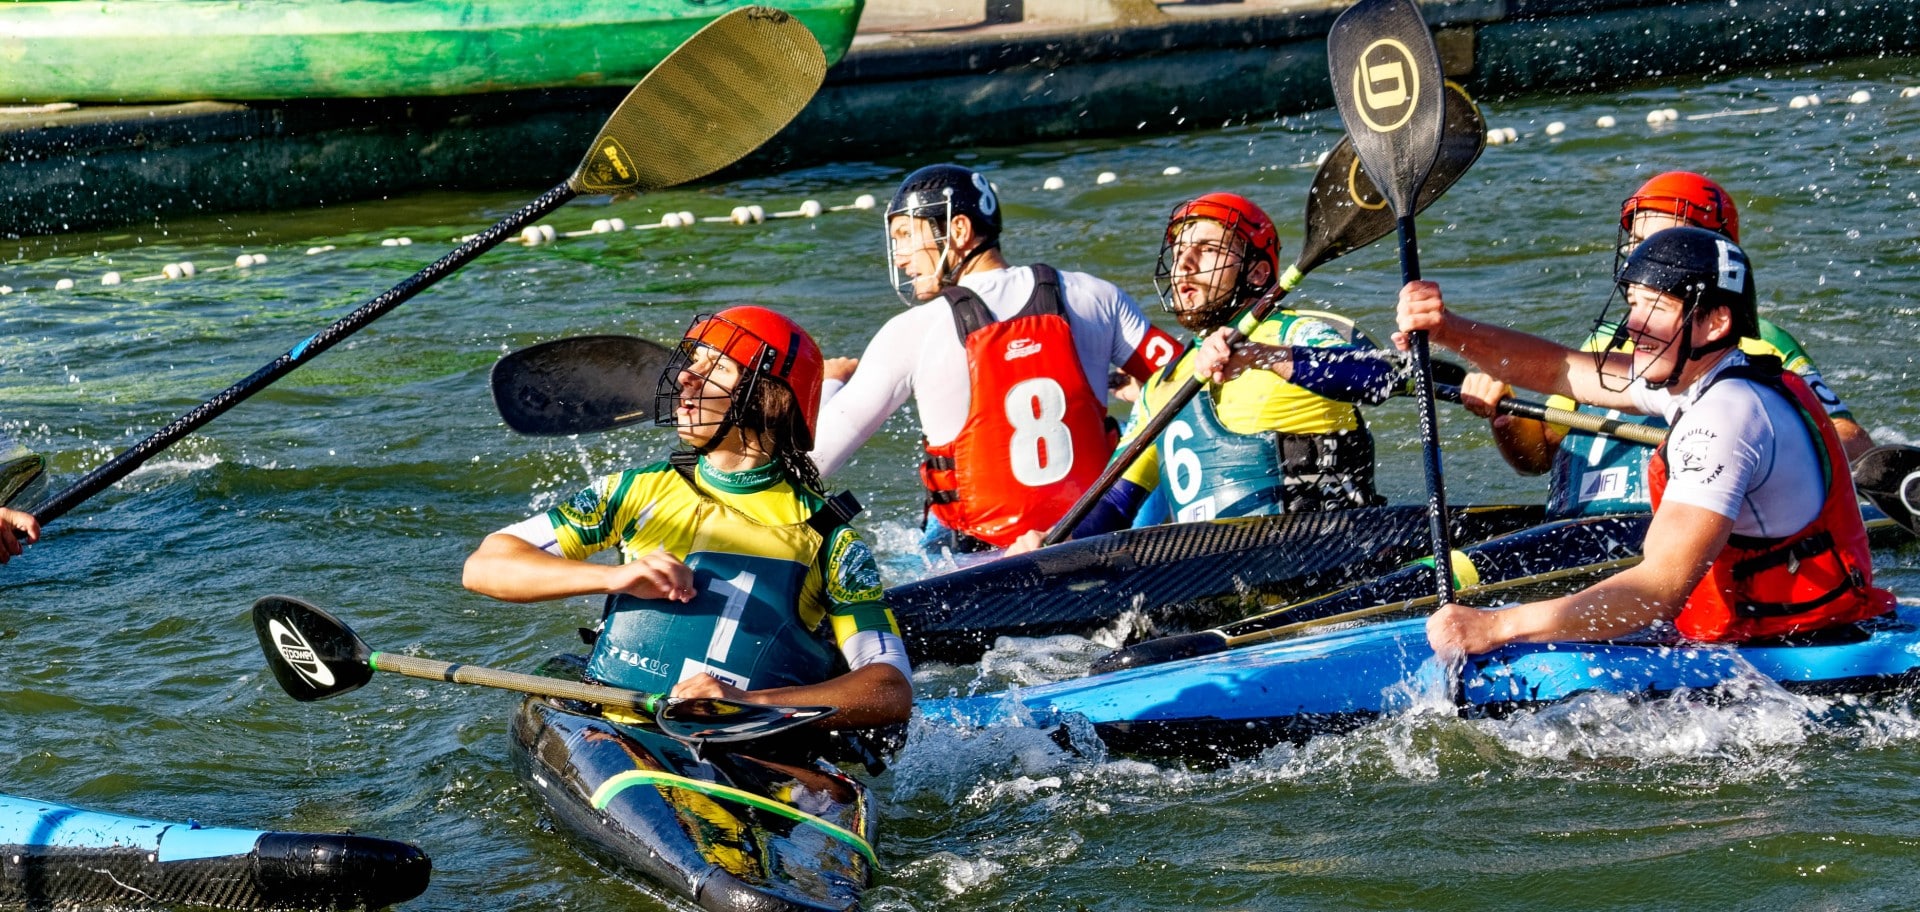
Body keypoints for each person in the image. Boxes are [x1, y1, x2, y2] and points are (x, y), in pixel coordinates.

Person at [1399, 226, 1893, 657]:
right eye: (1632, 304)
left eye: (1653, 307)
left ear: (1714, 322)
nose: (1631, 326)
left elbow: (1657, 590)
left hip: (1795, 652)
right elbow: (1558, 369)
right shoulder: (1704, 377)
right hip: (1758, 638)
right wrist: (1446, 329)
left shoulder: (1726, 417)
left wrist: (1495, 626)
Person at [464, 305, 912, 730]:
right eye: (692, 362)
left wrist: (749, 702)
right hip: (617, 730)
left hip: (743, 745)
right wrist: (612, 578)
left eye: (716, 368)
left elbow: (890, 689)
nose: (685, 377)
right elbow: (485, 566)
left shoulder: (831, 540)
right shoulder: (635, 491)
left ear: (766, 398)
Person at [809, 163, 1179, 555]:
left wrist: (829, 382)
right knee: (1153, 429)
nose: (900, 257)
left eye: (905, 235)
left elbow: (814, 462)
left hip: (978, 568)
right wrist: (1147, 394)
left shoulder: (913, 330)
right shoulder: (1095, 295)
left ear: (958, 231)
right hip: (1096, 544)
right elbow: (1193, 380)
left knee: (931, 524)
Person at [1458, 171, 1873, 519]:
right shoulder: (1606, 338)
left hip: (1679, 520)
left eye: (1658, 243)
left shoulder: (1758, 340)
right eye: (1636, 242)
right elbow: (1539, 456)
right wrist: (1505, 414)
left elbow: (1850, 441)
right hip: (1577, 525)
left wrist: (1736, 446)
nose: (1639, 256)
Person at [1017, 192, 1398, 548]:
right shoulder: (1161, 385)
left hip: (1325, 551)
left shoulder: (1294, 332)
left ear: (1257, 274)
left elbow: (1383, 377)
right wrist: (1054, 542)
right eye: (1179, 251)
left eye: (1208, 249)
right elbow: (1115, 504)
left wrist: (1262, 356)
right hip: (1212, 570)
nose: (1183, 264)